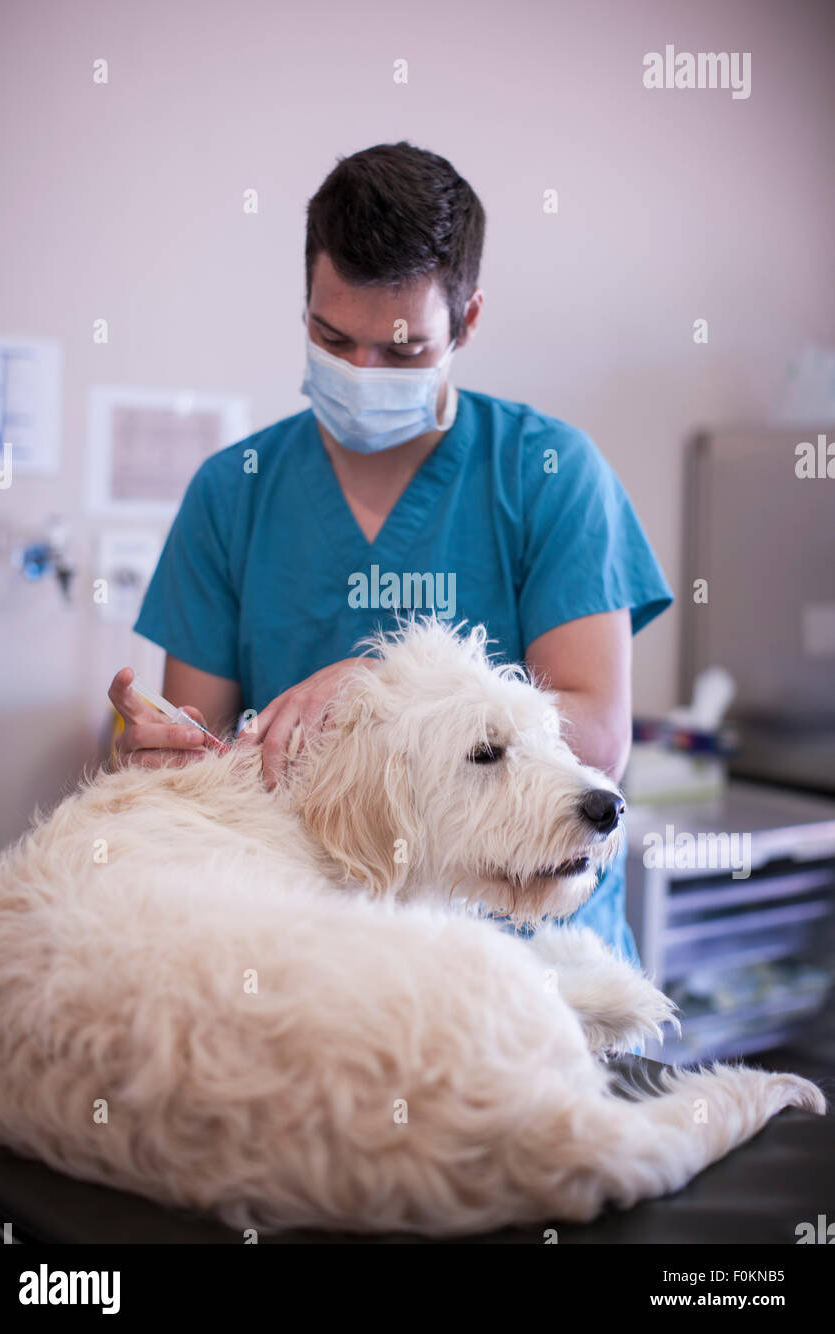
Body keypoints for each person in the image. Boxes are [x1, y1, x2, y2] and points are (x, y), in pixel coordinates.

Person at [109, 140, 672, 963]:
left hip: (536, 954)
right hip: (320, 948)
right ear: (305, 305)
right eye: (333, 340)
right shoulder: (234, 492)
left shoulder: (549, 472)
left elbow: (596, 742)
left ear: (468, 319)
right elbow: (210, 753)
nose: (363, 371)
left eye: (403, 351)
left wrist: (392, 693)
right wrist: (161, 763)